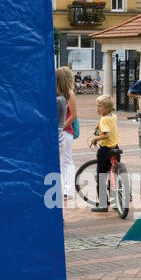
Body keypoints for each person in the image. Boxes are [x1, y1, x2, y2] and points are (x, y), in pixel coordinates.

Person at [88, 94, 120, 212]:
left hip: (105, 151)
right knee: (114, 175)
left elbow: (106, 135)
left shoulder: (103, 119)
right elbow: (108, 123)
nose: (97, 108)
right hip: (116, 149)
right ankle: (117, 201)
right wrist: (98, 125)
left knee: (101, 176)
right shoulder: (113, 116)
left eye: (100, 106)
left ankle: (103, 204)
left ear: (106, 108)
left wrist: (95, 139)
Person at [56, 66, 78, 202]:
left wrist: (61, 126)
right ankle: (63, 188)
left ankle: (69, 190)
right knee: (61, 162)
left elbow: (74, 115)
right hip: (60, 132)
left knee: (67, 161)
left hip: (66, 132)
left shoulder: (69, 94)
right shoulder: (57, 94)